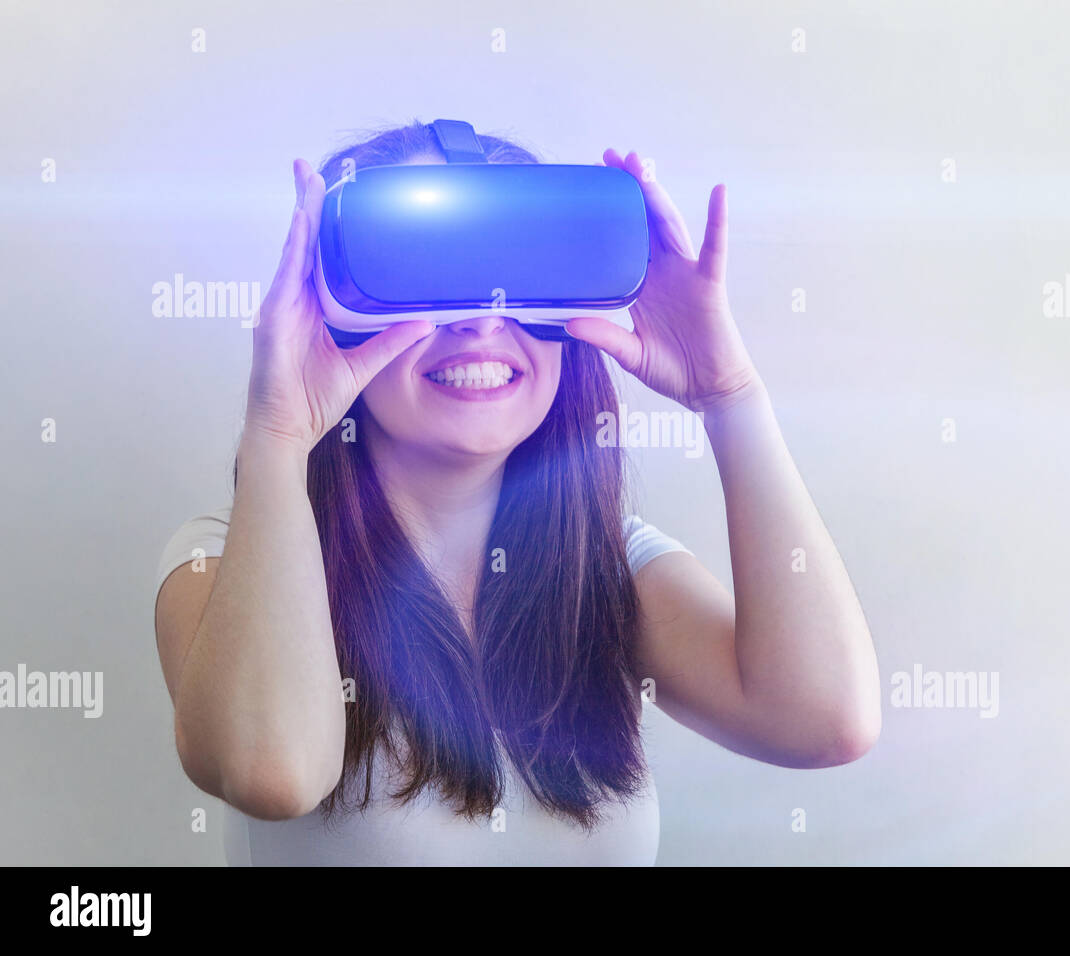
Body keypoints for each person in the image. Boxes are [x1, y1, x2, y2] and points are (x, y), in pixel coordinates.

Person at [153, 121, 881, 865]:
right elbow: (271, 773)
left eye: (517, 272)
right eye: (427, 273)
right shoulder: (216, 559)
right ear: (332, 314)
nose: (480, 321)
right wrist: (279, 430)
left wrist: (731, 398)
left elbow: (824, 720)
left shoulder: (610, 564)